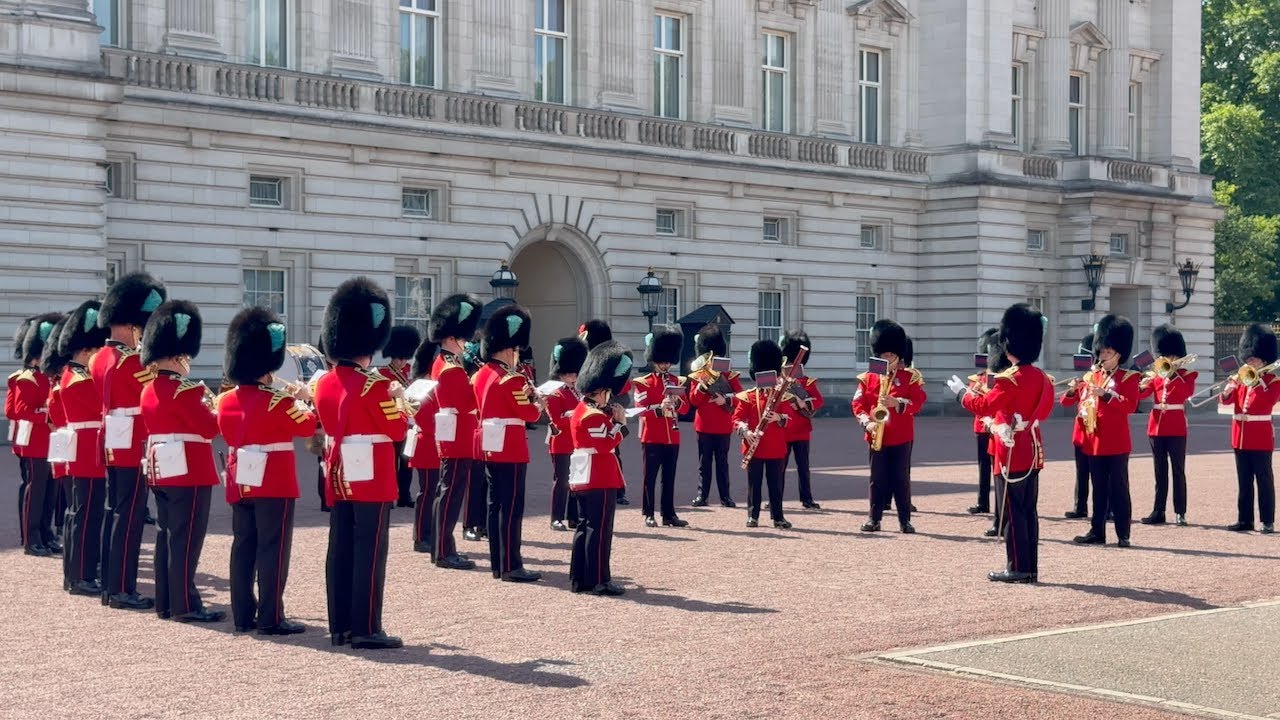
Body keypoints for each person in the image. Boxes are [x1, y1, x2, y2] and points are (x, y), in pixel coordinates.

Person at [313, 276, 409, 650]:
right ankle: (367, 627)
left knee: (340, 547)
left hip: (338, 470)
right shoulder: (375, 385)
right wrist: (400, 399)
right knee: (369, 551)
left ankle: (340, 626)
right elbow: (397, 427)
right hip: (370, 471)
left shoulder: (323, 383)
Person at [219, 306, 316, 635]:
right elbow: (308, 427)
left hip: (240, 476)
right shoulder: (279, 401)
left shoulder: (226, 400)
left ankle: (243, 615)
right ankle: (271, 617)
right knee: (272, 548)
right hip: (273, 478)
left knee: (243, 545)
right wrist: (304, 399)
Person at [952, 303, 1055, 583]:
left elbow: (983, 405)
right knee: (1028, 512)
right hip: (1032, 449)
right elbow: (1044, 411)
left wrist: (961, 393)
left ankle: (1018, 568)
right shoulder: (1042, 378)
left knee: (1012, 513)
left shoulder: (1011, 380)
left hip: (1011, 453)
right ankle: (1030, 567)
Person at [139, 300, 224, 623]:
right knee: (187, 538)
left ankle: (166, 602)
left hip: (161, 466)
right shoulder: (185, 392)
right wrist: (215, 407)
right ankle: (185, 605)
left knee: (167, 536)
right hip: (188, 469)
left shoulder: (148, 390)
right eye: (186, 357)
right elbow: (209, 427)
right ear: (177, 357)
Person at [92, 271, 166, 610]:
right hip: (132, 447)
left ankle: (111, 585)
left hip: (110, 444)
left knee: (115, 514)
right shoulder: (131, 361)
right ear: (134, 324)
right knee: (129, 518)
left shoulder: (100, 358)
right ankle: (122, 588)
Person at [474, 304, 543, 583]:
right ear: (507, 350)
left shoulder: (479, 375)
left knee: (494, 504)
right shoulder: (512, 379)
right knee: (512, 507)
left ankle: (497, 564)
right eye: (516, 351)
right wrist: (537, 400)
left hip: (489, 443)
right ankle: (512, 565)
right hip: (511, 446)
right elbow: (529, 414)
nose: (517, 355)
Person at [1063, 315, 1140, 547]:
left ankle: (1123, 534)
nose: (1102, 356)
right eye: (1101, 352)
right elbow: (1068, 403)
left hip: (1116, 443)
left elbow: (1129, 405)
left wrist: (1106, 395)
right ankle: (1097, 531)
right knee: (1098, 489)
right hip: (1093, 441)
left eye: (1107, 352)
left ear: (1119, 353)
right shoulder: (1091, 376)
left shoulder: (1129, 377)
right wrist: (1071, 390)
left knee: (1119, 489)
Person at [568, 340, 631, 596]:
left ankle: (581, 578)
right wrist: (621, 423)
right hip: (598, 476)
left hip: (588, 475)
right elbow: (607, 444)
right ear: (601, 390)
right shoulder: (592, 415)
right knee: (600, 530)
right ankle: (598, 580)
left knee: (585, 526)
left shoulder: (585, 409)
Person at [853, 320, 925, 533]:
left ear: (898, 356)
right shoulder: (868, 378)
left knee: (901, 479)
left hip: (901, 436)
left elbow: (919, 401)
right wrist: (867, 423)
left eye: (890, 356)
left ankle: (905, 520)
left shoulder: (909, 377)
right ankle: (874, 519)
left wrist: (898, 403)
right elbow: (858, 404)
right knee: (877, 479)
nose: (886, 359)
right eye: (883, 355)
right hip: (877, 435)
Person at [427, 293, 482, 571]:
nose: (466, 343)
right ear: (452, 338)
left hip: (456, 435)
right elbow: (466, 403)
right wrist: (477, 383)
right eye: (463, 339)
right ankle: (443, 551)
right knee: (450, 495)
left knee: (446, 493)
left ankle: (442, 547)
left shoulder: (449, 364)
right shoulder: (450, 369)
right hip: (458, 437)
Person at [58, 301, 109, 597]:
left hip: (87, 453)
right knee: (86, 517)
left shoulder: (74, 375)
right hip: (87, 455)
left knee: (83, 515)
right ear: (87, 350)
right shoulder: (78, 380)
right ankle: (81, 576)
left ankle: (77, 574)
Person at [1220, 323, 1280, 533]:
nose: (1250, 361)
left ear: (1264, 358)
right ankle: (1245, 519)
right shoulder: (1242, 379)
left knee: (1264, 480)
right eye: (1248, 358)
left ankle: (1267, 520)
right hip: (1240, 436)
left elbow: (1266, 402)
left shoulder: (1272, 380)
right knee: (1244, 481)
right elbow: (1227, 401)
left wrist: (1257, 383)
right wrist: (1228, 390)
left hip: (1260, 436)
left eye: (1254, 358)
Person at [11, 313, 63, 556]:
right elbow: (20, 411)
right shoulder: (27, 379)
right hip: (33, 443)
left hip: (50, 443)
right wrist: (48, 416)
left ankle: (45, 532)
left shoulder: (50, 378)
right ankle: (31, 539)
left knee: (50, 492)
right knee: (36, 490)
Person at [731, 339, 796, 529]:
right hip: (754, 446)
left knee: (776, 486)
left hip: (775, 447)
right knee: (755, 485)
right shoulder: (748, 396)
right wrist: (745, 431)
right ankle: (753, 516)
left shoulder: (781, 396)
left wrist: (778, 417)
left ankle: (778, 517)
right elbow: (737, 418)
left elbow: (790, 420)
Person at [1138, 324, 1197, 526]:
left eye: (1170, 356)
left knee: (1178, 470)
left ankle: (1180, 512)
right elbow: (1141, 395)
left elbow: (1184, 393)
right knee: (1159, 471)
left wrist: (1171, 374)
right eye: (1164, 356)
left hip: (1176, 427)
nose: (1167, 360)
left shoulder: (1187, 375)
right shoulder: (1156, 375)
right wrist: (1141, 384)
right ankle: (1158, 511)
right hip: (1156, 427)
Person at [632, 324, 690, 528]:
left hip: (672, 437)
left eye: (668, 362)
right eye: (662, 361)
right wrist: (660, 406)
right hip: (652, 435)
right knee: (650, 477)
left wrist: (677, 402)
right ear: (654, 360)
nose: (665, 365)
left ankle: (668, 514)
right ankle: (648, 513)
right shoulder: (643, 383)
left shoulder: (677, 380)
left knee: (669, 477)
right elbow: (641, 409)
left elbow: (685, 409)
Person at [687, 324, 740, 508]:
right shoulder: (698, 375)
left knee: (722, 464)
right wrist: (702, 386)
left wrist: (724, 399)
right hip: (704, 426)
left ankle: (725, 497)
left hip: (723, 424)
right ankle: (703, 496)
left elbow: (740, 397)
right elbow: (693, 400)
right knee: (704, 464)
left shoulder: (728, 374)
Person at [579, 318, 631, 506]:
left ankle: (618, 489)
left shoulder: (611, 359)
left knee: (612, 451)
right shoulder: (585, 359)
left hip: (607, 413)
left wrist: (611, 408)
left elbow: (623, 390)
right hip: (588, 414)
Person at [545, 337, 587, 531]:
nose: (572, 377)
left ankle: (573, 517)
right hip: (560, 442)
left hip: (577, 442)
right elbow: (554, 420)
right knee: (561, 481)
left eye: (574, 373)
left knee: (575, 481)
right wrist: (571, 415)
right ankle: (556, 517)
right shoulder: (555, 393)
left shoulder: (579, 393)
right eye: (568, 374)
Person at [380, 325, 421, 508]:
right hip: (392, 420)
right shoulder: (382, 374)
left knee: (406, 462)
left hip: (409, 422)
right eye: (399, 358)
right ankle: (389, 496)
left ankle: (404, 495)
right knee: (389, 463)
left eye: (405, 357)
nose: (402, 361)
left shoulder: (410, 371)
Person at [406, 336, 441, 553]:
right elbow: (429, 422)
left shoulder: (427, 386)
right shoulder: (423, 389)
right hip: (428, 444)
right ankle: (421, 536)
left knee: (432, 491)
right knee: (427, 492)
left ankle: (428, 533)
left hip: (432, 443)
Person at [782, 331, 823, 510]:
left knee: (803, 468)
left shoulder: (807, 382)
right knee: (778, 468)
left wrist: (802, 402)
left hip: (801, 431)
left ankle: (806, 498)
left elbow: (818, 401)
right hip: (782, 430)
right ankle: (775, 498)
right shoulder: (778, 382)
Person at [967, 328, 999, 516]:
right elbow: (972, 406)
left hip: (999, 427)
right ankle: (983, 502)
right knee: (983, 466)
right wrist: (974, 391)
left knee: (998, 468)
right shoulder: (977, 378)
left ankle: (998, 504)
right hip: (982, 427)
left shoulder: (1003, 379)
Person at [1065, 333, 1095, 519]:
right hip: (1082, 433)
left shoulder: (1103, 380)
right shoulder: (1084, 381)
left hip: (1098, 433)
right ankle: (1080, 507)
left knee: (1101, 475)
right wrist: (1072, 389)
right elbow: (1067, 402)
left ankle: (1107, 508)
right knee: (1081, 472)